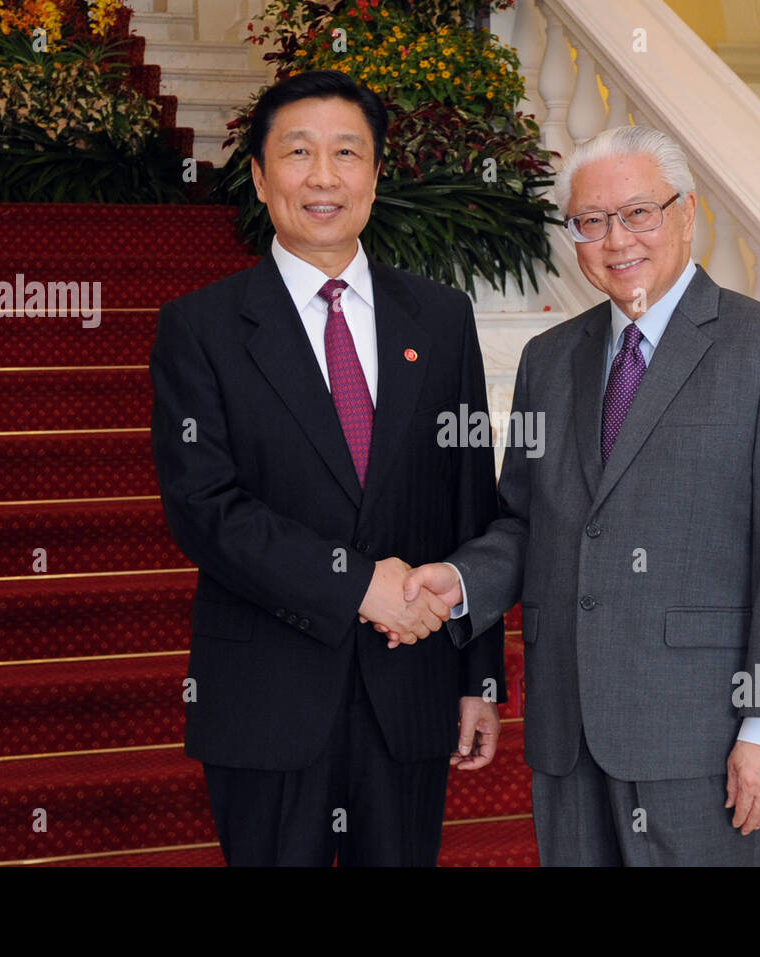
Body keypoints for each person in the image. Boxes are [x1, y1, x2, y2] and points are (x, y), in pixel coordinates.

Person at [397, 125, 760, 866]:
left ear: (688, 214)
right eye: (590, 221)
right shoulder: (548, 359)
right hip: (568, 734)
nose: (616, 240)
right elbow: (523, 520)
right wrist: (463, 580)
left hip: (703, 739)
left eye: (639, 212)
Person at [149, 69, 504, 866]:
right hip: (267, 699)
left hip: (411, 690)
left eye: (347, 153)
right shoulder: (201, 327)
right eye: (299, 152)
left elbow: (469, 502)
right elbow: (204, 507)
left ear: (376, 174)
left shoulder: (441, 319)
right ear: (261, 176)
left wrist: (478, 674)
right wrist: (357, 584)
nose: (323, 176)